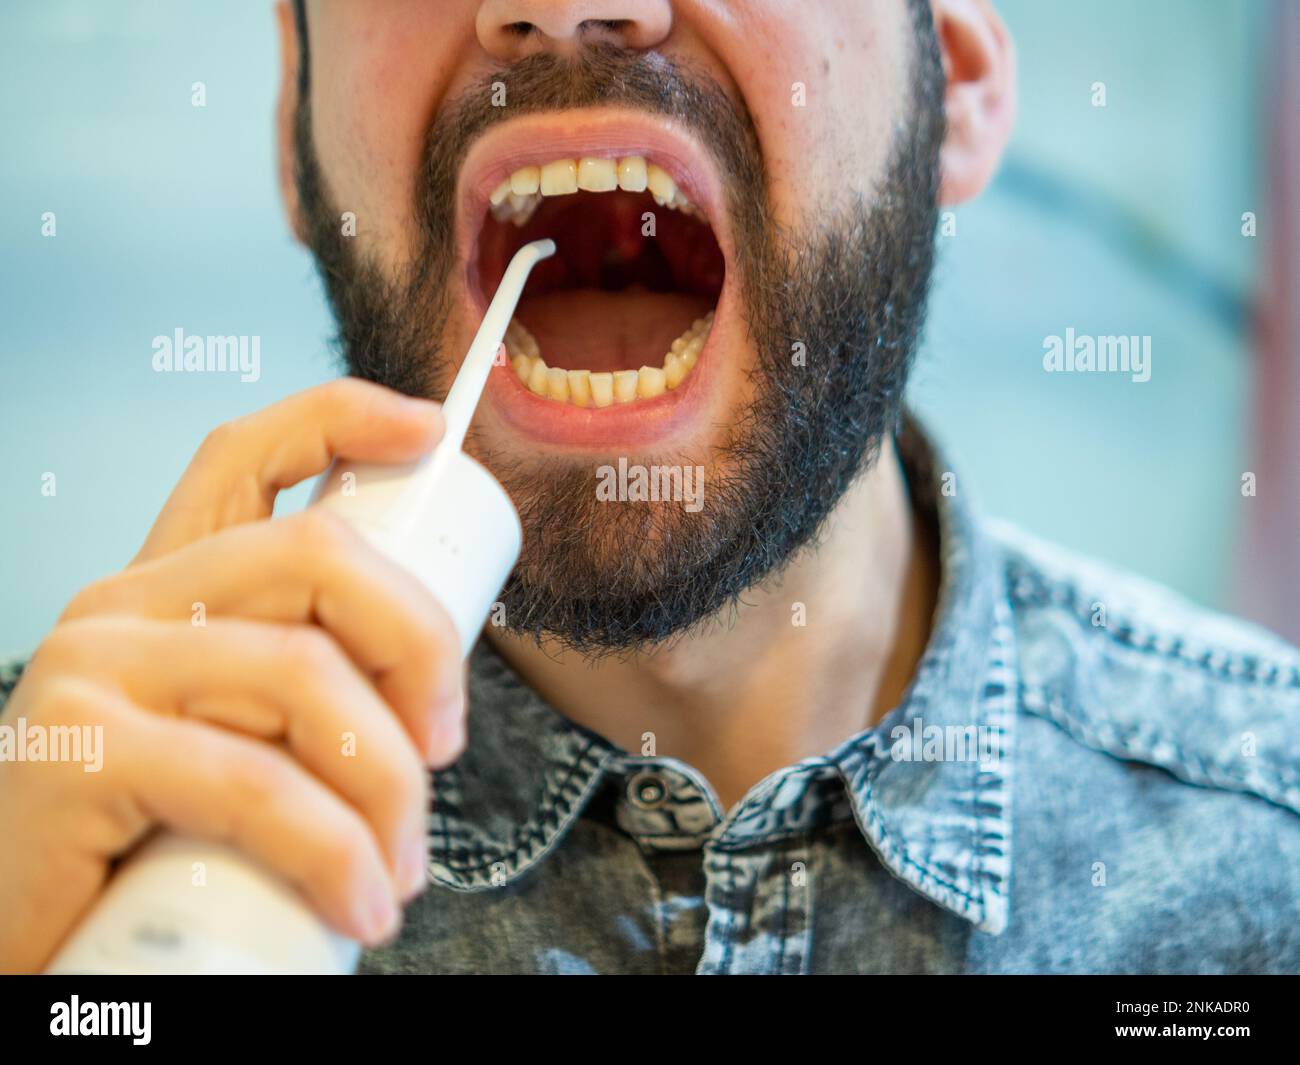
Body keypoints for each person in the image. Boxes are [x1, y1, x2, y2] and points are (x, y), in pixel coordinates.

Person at [2, 0, 1297, 975]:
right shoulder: (48, 850)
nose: (570, 5)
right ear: (294, 122)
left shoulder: (1268, 851)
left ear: (950, 79)